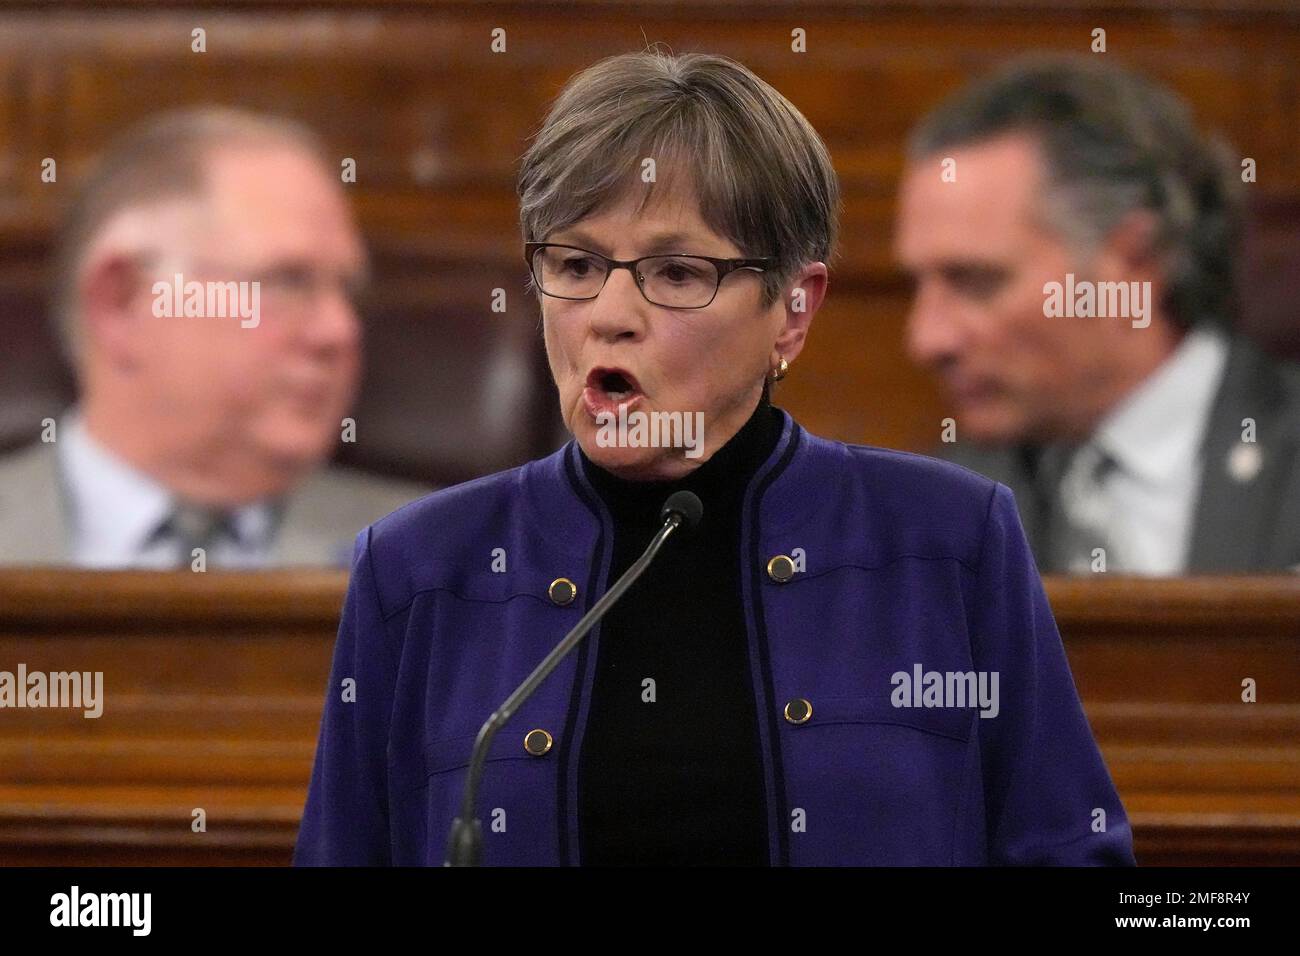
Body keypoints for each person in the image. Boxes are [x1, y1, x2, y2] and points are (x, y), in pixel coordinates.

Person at [295, 50, 1134, 866]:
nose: (608, 315)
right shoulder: (416, 570)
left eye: (676, 272)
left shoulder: (950, 543)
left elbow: (1069, 851)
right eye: (575, 264)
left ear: (792, 314)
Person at [895, 54, 1300, 575]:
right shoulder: (939, 507)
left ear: (1133, 259)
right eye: (918, 285)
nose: (926, 340)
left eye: (976, 282)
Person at [0, 107, 428, 568]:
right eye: (288, 281)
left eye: (347, 290)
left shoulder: (443, 553)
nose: (340, 330)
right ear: (121, 302)